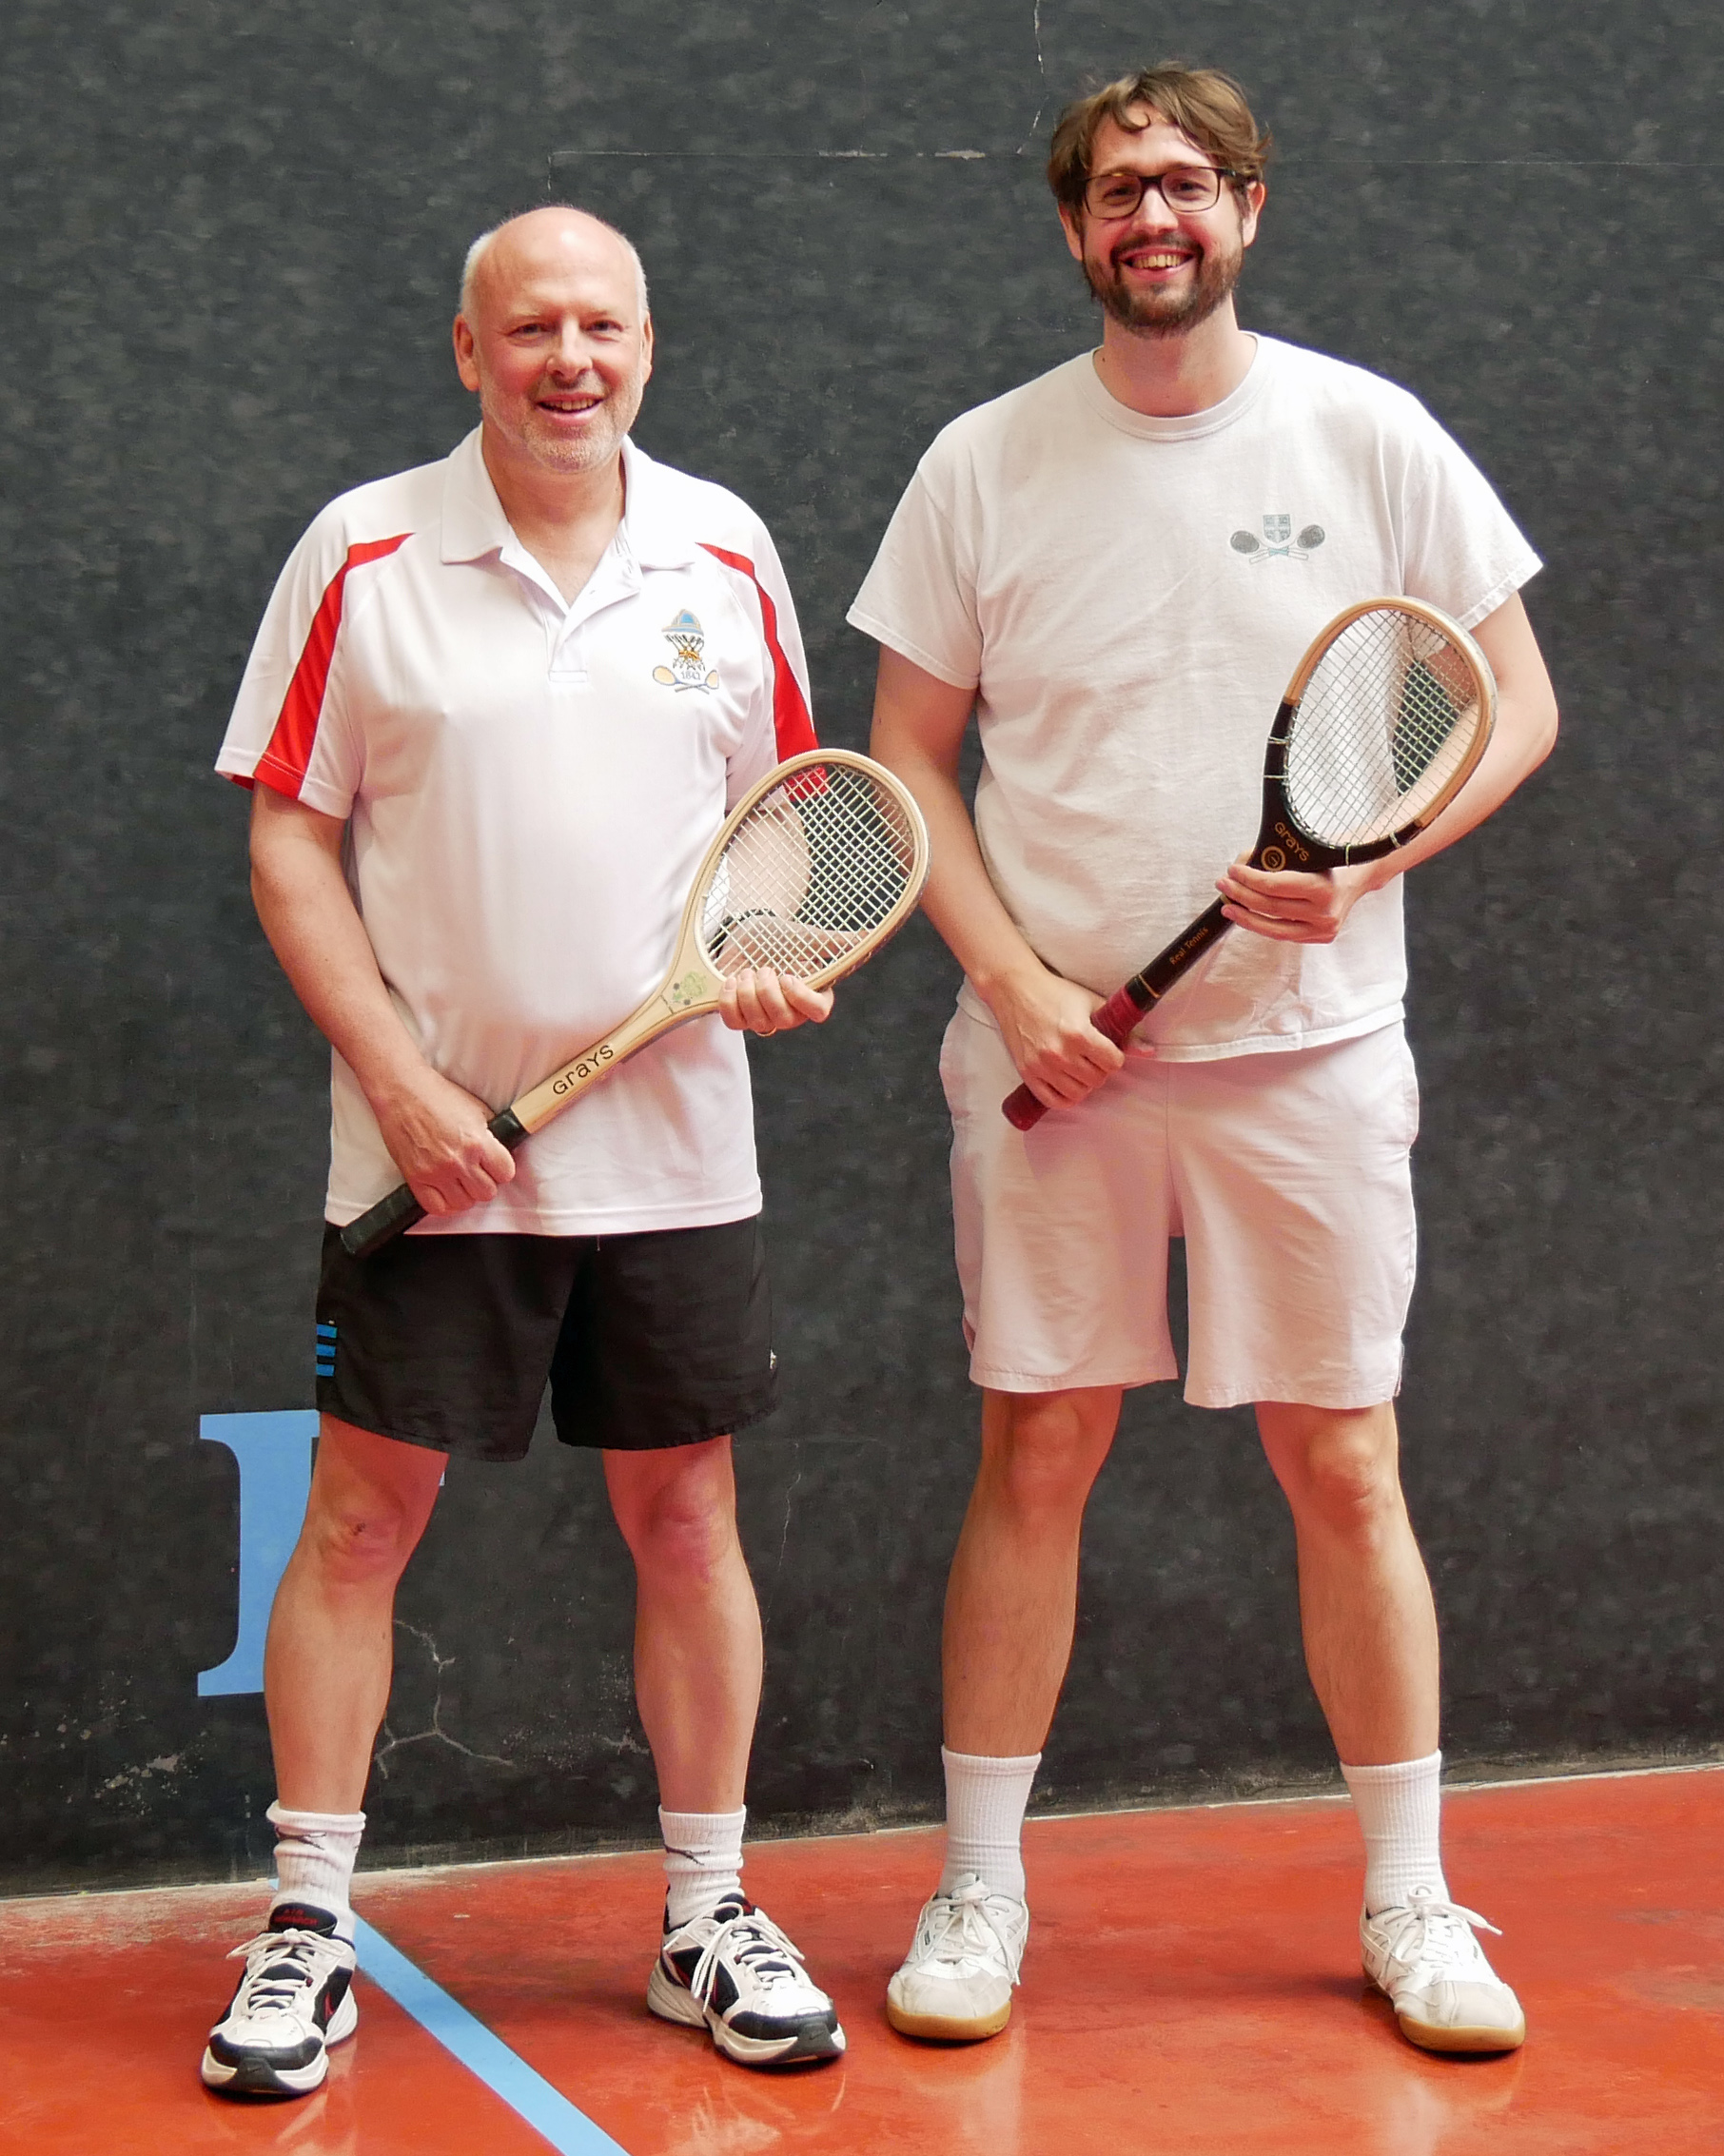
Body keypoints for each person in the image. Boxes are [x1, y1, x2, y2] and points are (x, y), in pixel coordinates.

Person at [852, 65, 1558, 2057]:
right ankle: (979, 1890)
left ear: (1248, 205)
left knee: (1345, 1460)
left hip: (1311, 1060)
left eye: (1185, 183)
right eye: (1113, 191)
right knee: (1039, 1445)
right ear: (1075, 231)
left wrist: (1379, 857)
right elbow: (906, 754)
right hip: (1062, 1067)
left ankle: (1417, 1901)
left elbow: (1514, 703)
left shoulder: (1369, 430)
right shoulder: (982, 462)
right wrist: (1011, 985)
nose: (1150, 216)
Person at [203, 206, 847, 2097]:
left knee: (687, 1516)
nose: (573, 355)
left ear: (647, 347)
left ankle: (706, 1910)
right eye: (533, 326)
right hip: (431, 1166)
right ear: (467, 350)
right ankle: (310, 1921)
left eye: (605, 326)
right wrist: (398, 1074)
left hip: (673, 1164)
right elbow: (288, 839)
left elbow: (794, 831)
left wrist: (780, 959)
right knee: (355, 1522)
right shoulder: (366, 550)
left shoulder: (725, 550)